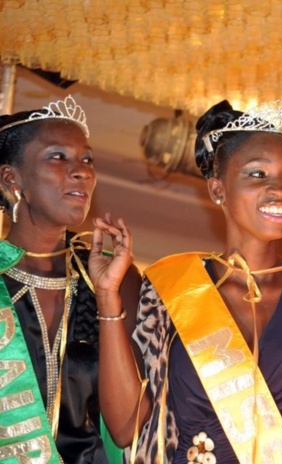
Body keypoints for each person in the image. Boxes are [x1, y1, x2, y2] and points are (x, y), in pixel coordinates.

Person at [90, 99, 282, 463]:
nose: (280, 189)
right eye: (257, 174)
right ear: (218, 190)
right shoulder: (173, 287)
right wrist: (107, 295)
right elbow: (125, 429)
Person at [0, 96, 141, 463]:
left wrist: (107, 295)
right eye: (58, 156)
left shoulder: (114, 277)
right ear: (11, 178)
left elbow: (126, 428)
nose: (81, 172)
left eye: (87, 160)